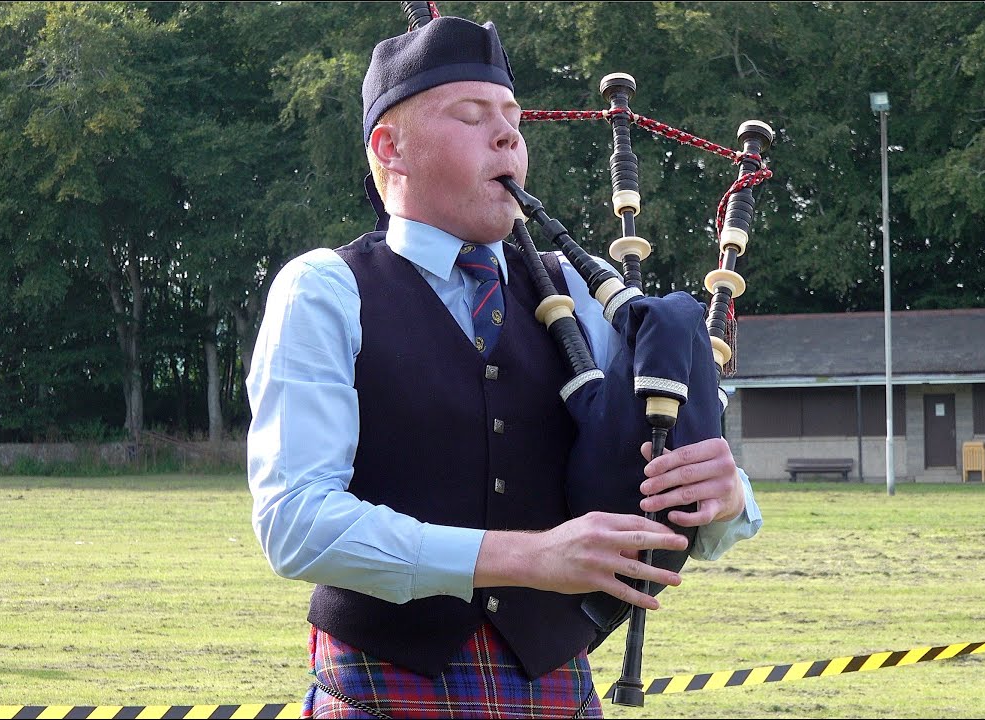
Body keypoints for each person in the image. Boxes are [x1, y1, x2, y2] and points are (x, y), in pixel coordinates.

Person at [247, 16, 762, 719]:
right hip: (385, 689)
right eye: (472, 116)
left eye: (514, 119)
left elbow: (664, 480)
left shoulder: (581, 290)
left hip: (554, 689)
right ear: (390, 147)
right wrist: (525, 557)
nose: (508, 136)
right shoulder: (325, 290)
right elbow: (296, 522)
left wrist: (727, 498)